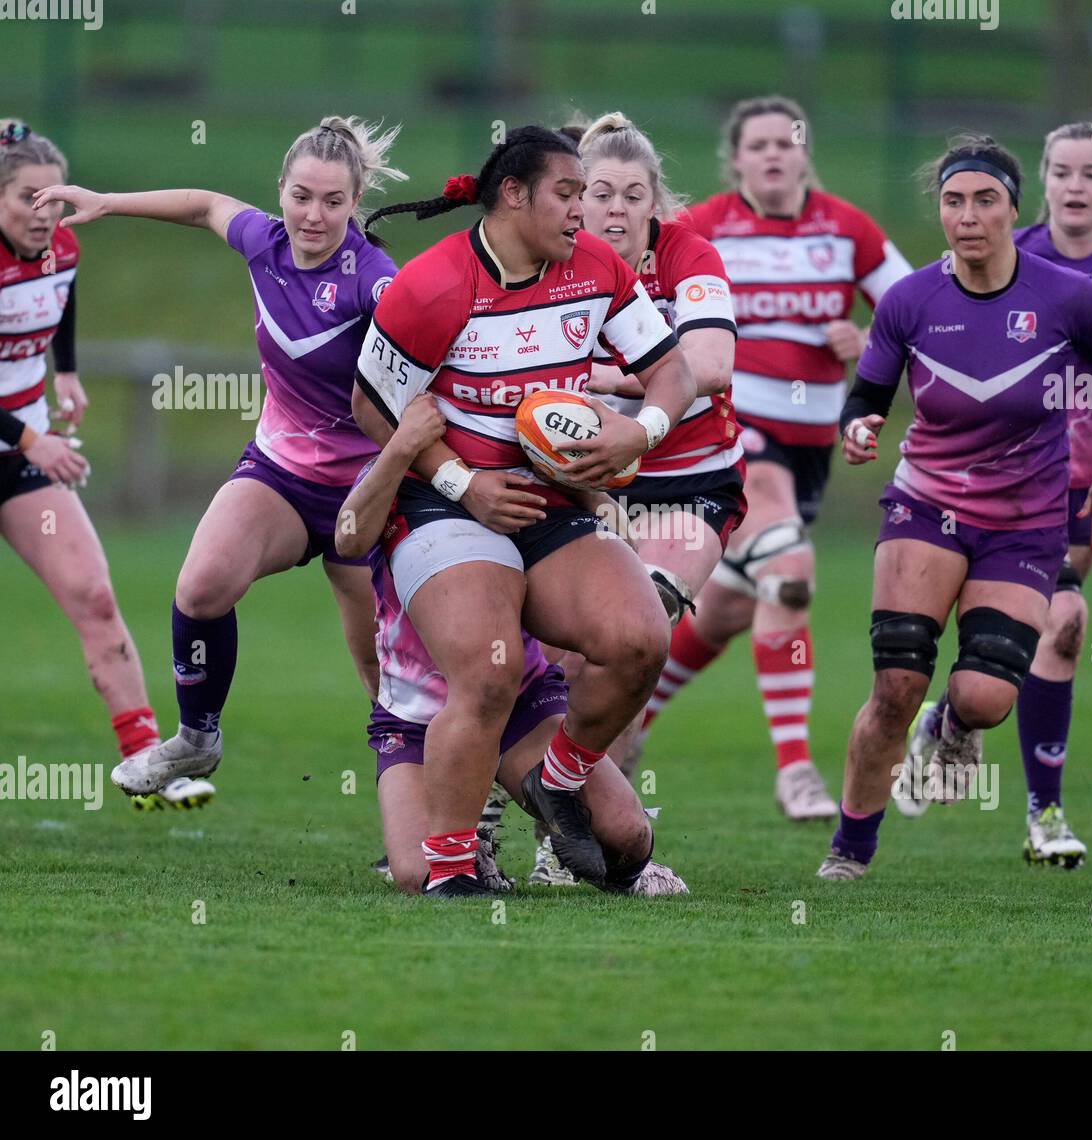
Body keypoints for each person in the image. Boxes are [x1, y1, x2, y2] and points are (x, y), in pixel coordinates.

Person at [352, 125, 696, 896]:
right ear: (514, 195)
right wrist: (460, 484)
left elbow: (671, 368)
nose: (588, 213)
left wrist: (640, 430)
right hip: (443, 507)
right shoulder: (433, 286)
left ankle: (559, 780)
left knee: (641, 639)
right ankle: (449, 869)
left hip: (544, 500)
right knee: (489, 668)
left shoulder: (596, 269)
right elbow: (373, 407)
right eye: (570, 194)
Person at [819, 133, 1092, 882]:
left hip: (1027, 523)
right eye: (952, 201)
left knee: (985, 696)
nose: (967, 216)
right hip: (926, 505)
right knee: (896, 685)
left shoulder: (1067, 297)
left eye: (984, 200)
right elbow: (869, 391)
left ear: (1013, 209)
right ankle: (850, 852)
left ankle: (953, 723)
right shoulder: (910, 300)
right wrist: (858, 424)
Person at [35, 117, 405, 801]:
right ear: (281, 192)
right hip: (282, 476)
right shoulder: (264, 242)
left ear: (356, 205)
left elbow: (429, 355)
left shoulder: (375, 283)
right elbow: (205, 204)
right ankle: (197, 741)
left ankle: (438, 811)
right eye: (301, 196)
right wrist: (108, 204)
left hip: (367, 491)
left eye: (331, 201)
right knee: (201, 587)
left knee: (383, 669)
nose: (313, 215)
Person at [902, 119, 1092, 867]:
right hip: (1012, 482)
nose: (1075, 186)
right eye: (1062, 172)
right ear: (1042, 183)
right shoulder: (1013, 254)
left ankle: (953, 722)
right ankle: (1043, 811)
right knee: (1065, 619)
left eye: (1091, 173)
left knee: (1054, 633)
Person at [640, 95, 913, 821]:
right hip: (737, 434)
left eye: (784, 143)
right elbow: (644, 307)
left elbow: (916, 308)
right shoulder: (704, 228)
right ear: (734, 159)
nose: (772, 154)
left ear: (803, 152)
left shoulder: (846, 228)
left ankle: (628, 723)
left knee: (729, 607)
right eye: (756, 144)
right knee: (789, 577)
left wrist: (870, 343)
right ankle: (796, 771)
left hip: (813, 447)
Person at [333, 396, 687, 897]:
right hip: (418, 717)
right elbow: (347, 539)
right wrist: (403, 445)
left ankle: (572, 820)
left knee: (626, 838)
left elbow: (609, 526)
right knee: (417, 875)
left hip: (522, 706)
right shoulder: (396, 475)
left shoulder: (513, 466)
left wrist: (592, 494)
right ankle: (465, 844)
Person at [518, 110, 744, 885]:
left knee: (639, 622)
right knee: (582, 662)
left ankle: (595, 835)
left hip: (690, 481)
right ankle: (568, 837)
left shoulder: (689, 254)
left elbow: (710, 362)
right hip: (587, 490)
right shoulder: (553, 260)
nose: (615, 209)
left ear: (657, 205)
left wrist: (602, 383)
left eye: (633, 195)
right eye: (600, 192)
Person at [0, 120, 181, 801]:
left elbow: (61, 296)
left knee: (95, 596)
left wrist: (65, 370)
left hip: (20, 462)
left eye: (54, 197)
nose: (43, 212)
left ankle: (145, 762)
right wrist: (29, 438)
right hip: (26, 446)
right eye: (25, 198)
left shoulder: (63, 249)